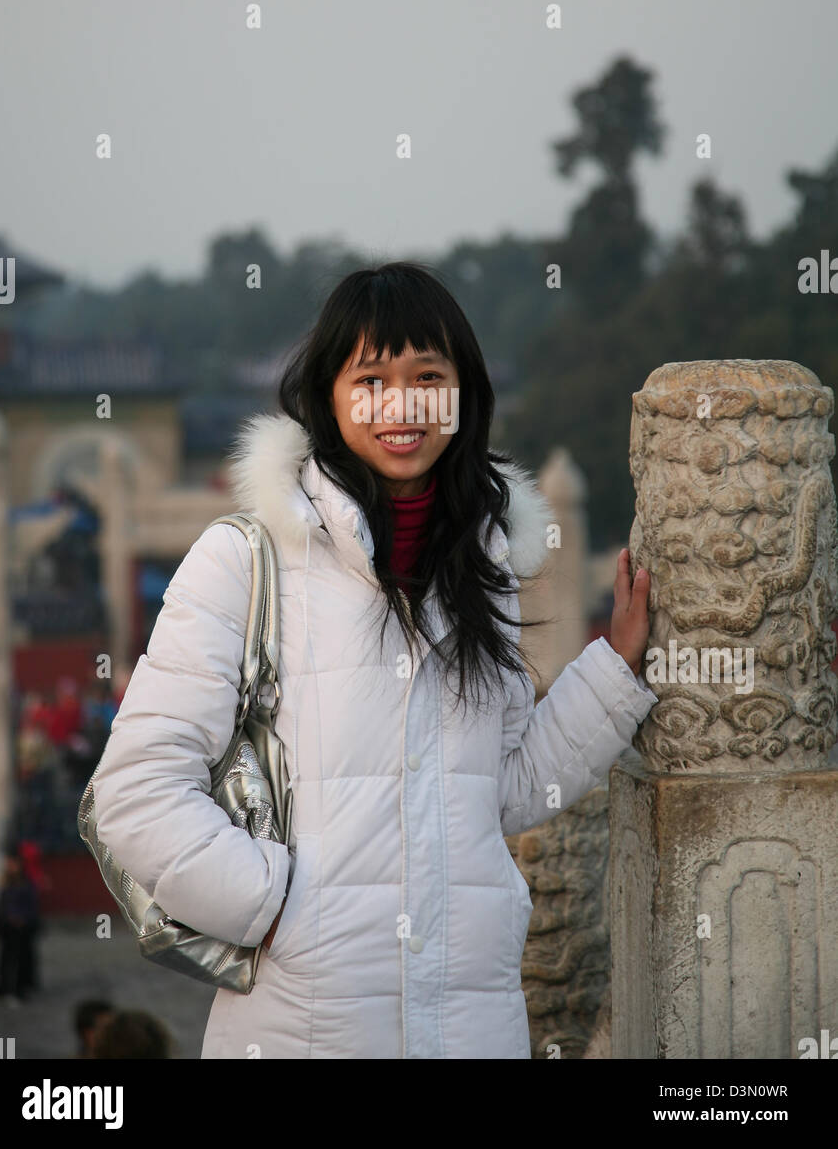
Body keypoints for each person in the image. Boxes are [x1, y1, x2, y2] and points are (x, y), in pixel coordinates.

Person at [91, 261, 657, 1059]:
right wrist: (277, 907)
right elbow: (135, 791)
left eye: (428, 376)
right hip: (303, 1028)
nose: (401, 405)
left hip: (473, 1024)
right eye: (372, 378)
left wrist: (614, 674)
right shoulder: (242, 565)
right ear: (328, 394)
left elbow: (502, 791)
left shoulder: (481, 570)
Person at [0, 851, 41, 1005]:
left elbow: (32, 907)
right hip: (6, 929)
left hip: (21, 931)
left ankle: (17, 991)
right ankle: (1, 990)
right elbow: (0, 905)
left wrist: (23, 919)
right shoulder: (5, 883)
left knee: (19, 961)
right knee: (3, 960)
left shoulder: (26, 884)